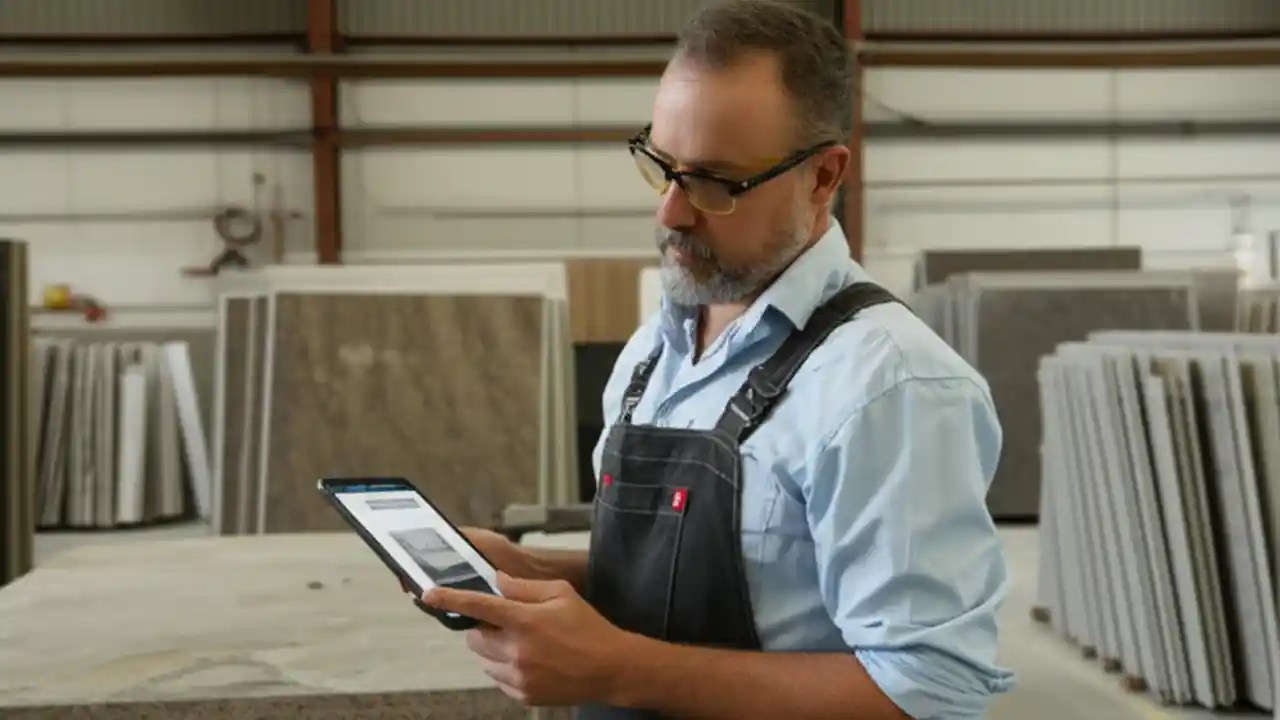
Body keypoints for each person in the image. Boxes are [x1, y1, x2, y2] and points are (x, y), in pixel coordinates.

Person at [419, 1, 1014, 717]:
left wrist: (616, 671)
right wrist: (537, 573)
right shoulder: (654, 355)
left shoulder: (888, 386)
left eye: (714, 183)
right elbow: (723, 589)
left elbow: (929, 691)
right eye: (660, 166)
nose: (671, 211)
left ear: (823, 176)